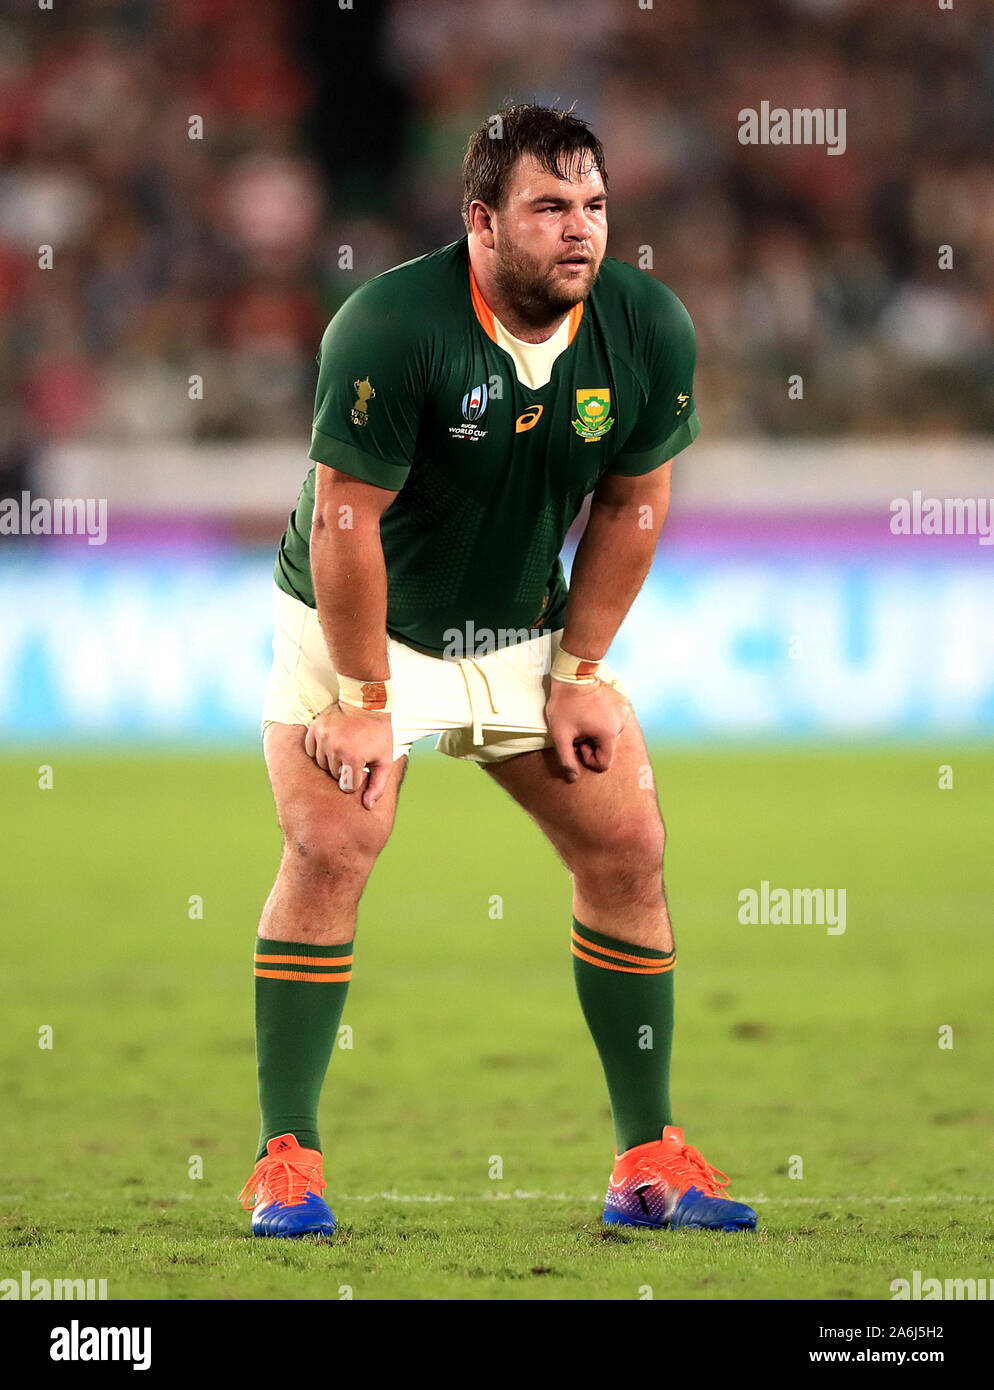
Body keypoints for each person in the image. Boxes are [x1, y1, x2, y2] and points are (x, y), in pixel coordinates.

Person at [238, 104, 756, 1237]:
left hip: (520, 628)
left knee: (627, 842)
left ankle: (647, 1157)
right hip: (356, 618)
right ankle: (288, 1158)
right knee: (333, 843)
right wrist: (368, 701)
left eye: (594, 207)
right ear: (480, 220)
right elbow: (342, 524)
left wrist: (581, 667)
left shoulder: (645, 327)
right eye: (549, 207)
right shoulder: (390, 326)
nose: (580, 231)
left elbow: (633, 501)